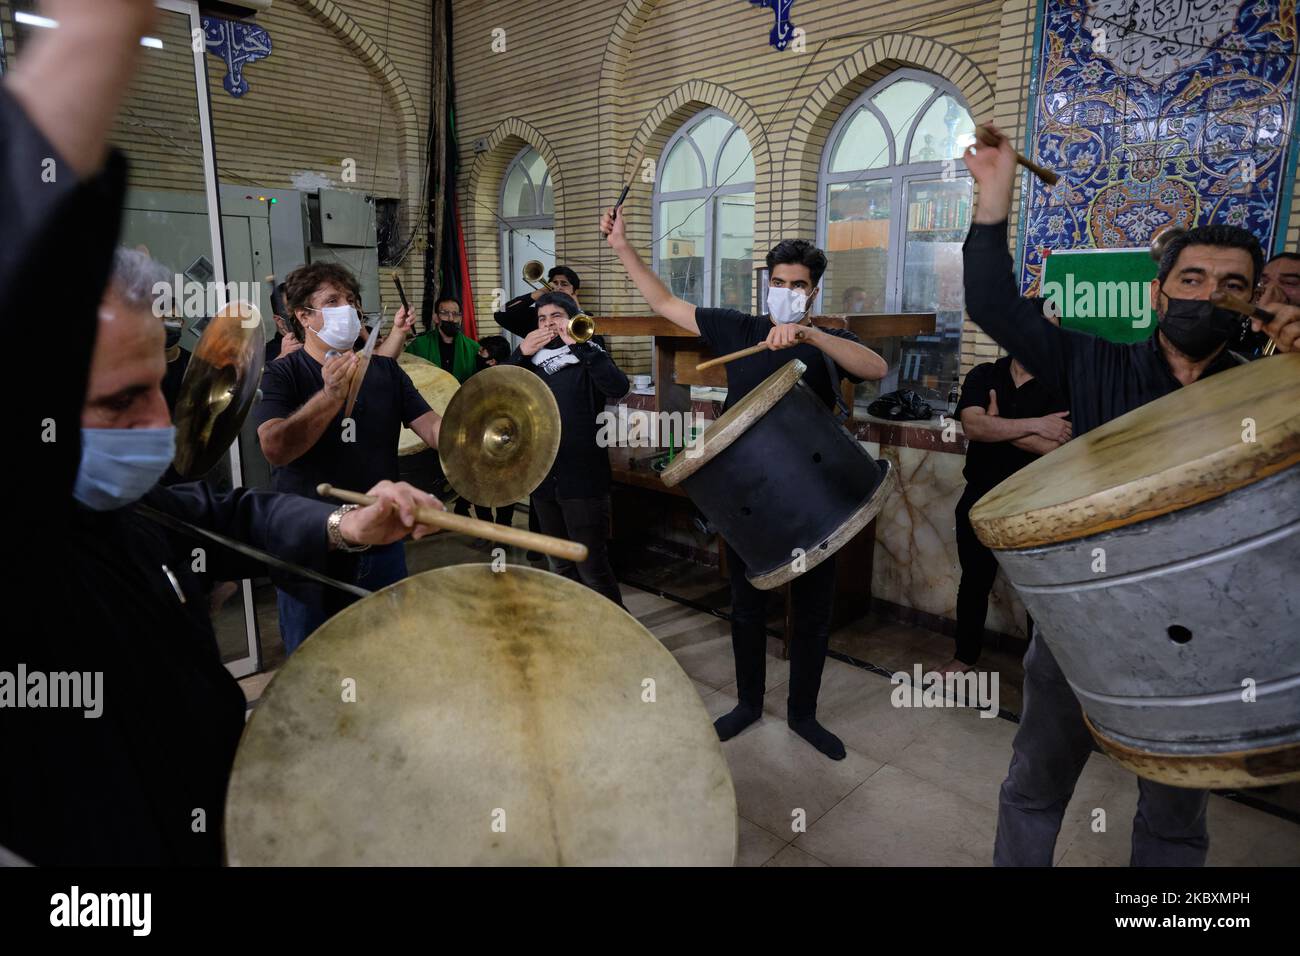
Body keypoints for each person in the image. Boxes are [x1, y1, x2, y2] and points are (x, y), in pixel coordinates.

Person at [962, 123, 1300, 867]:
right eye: (1192, 279)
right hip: (1078, 625)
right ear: (1159, 291)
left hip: (1204, 641)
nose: (1209, 295)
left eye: (1231, 286)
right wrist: (992, 197)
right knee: (1034, 785)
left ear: (1249, 303)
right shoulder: (1089, 360)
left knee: (1177, 813)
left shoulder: (1266, 388)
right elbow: (990, 301)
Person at [602, 205, 889, 760]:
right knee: (747, 603)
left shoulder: (826, 336)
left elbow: (874, 368)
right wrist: (622, 248)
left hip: (814, 493)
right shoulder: (741, 327)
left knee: (810, 607)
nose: (785, 291)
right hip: (747, 490)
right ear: (767, 284)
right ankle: (748, 705)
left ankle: (803, 714)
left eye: (797, 285)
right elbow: (663, 303)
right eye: (778, 282)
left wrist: (810, 333)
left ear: (812, 291)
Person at [255, 262, 443, 653]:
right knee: (314, 666)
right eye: (333, 301)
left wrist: (493, 425)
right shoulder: (282, 374)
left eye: (352, 301)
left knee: (385, 659)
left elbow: (435, 430)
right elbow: (275, 447)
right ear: (304, 317)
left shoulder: (386, 372)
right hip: (311, 545)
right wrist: (330, 396)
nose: (349, 310)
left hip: (381, 539)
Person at [948, 301, 1070, 674]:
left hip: (1038, 505)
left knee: (1039, 598)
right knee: (973, 583)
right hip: (979, 498)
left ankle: (1039, 675)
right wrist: (1034, 425)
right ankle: (963, 658)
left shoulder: (1067, 382)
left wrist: (999, 426)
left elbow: (1059, 447)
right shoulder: (984, 374)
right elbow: (974, 428)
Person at [509, 292, 629, 605]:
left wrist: (579, 344)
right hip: (543, 476)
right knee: (559, 564)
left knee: (592, 567)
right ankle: (575, 633)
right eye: (542, 318)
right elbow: (501, 390)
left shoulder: (589, 353)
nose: (548, 323)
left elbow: (618, 386)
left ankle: (618, 639)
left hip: (583, 476)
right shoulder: (530, 362)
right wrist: (520, 352)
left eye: (556, 316)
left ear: (572, 319)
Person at [382, 293, 479, 382]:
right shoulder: (419, 345)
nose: (451, 319)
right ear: (436, 318)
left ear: (461, 318)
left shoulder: (473, 348)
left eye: (455, 314)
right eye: (445, 313)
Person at [495, 264, 583, 339]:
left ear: (575, 291)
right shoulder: (535, 316)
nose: (558, 288)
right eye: (555, 283)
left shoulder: (585, 317)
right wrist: (542, 291)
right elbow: (501, 314)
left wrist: (575, 303)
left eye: (564, 284)